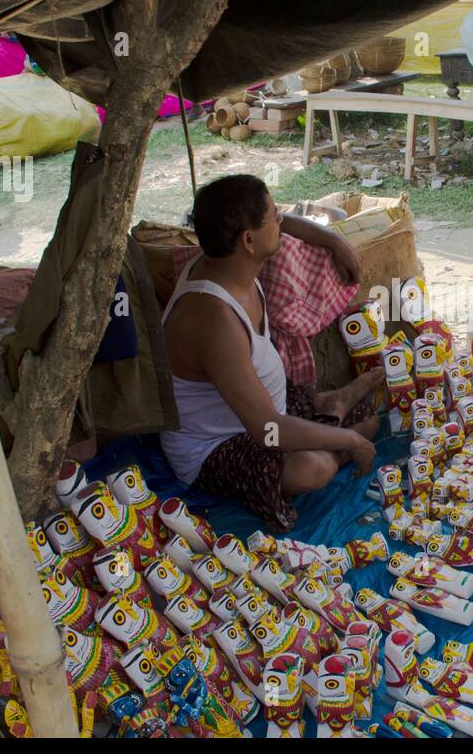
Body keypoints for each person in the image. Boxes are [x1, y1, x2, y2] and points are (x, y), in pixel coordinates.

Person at [161, 175, 382, 533]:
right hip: (218, 445)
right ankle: (331, 422)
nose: (282, 220)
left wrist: (333, 240)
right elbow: (267, 432)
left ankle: (329, 408)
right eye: (273, 215)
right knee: (316, 467)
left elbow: (286, 222)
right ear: (249, 240)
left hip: (267, 413)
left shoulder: (229, 260)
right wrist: (350, 440)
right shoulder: (213, 318)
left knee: (368, 418)